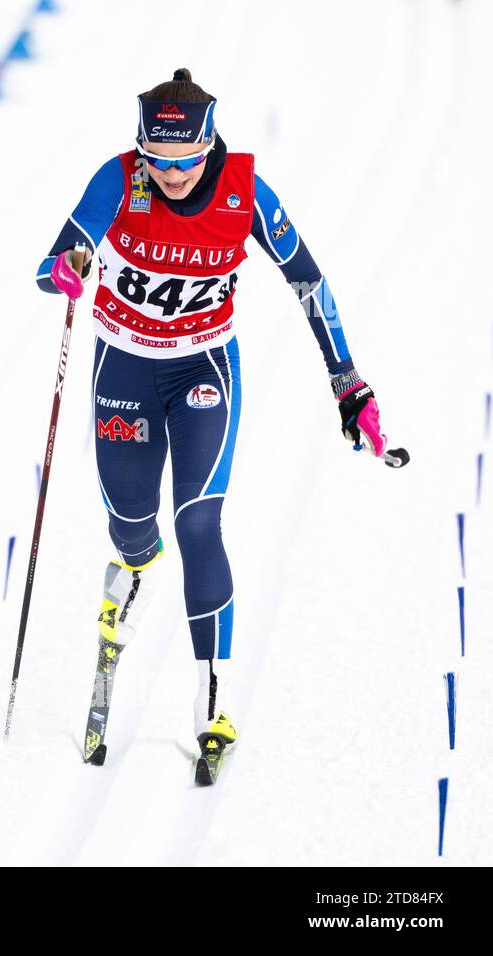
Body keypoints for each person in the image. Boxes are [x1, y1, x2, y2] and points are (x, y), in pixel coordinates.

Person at [35, 68, 407, 779]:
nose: (172, 175)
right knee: (131, 528)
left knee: (199, 522)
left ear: (209, 147)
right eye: (158, 160)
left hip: (202, 369)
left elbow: (310, 282)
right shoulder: (121, 181)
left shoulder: (245, 194)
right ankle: (133, 575)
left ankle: (213, 704)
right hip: (125, 370)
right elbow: (53, 262)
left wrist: (347, 381)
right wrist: (69, 269)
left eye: (186, 161)